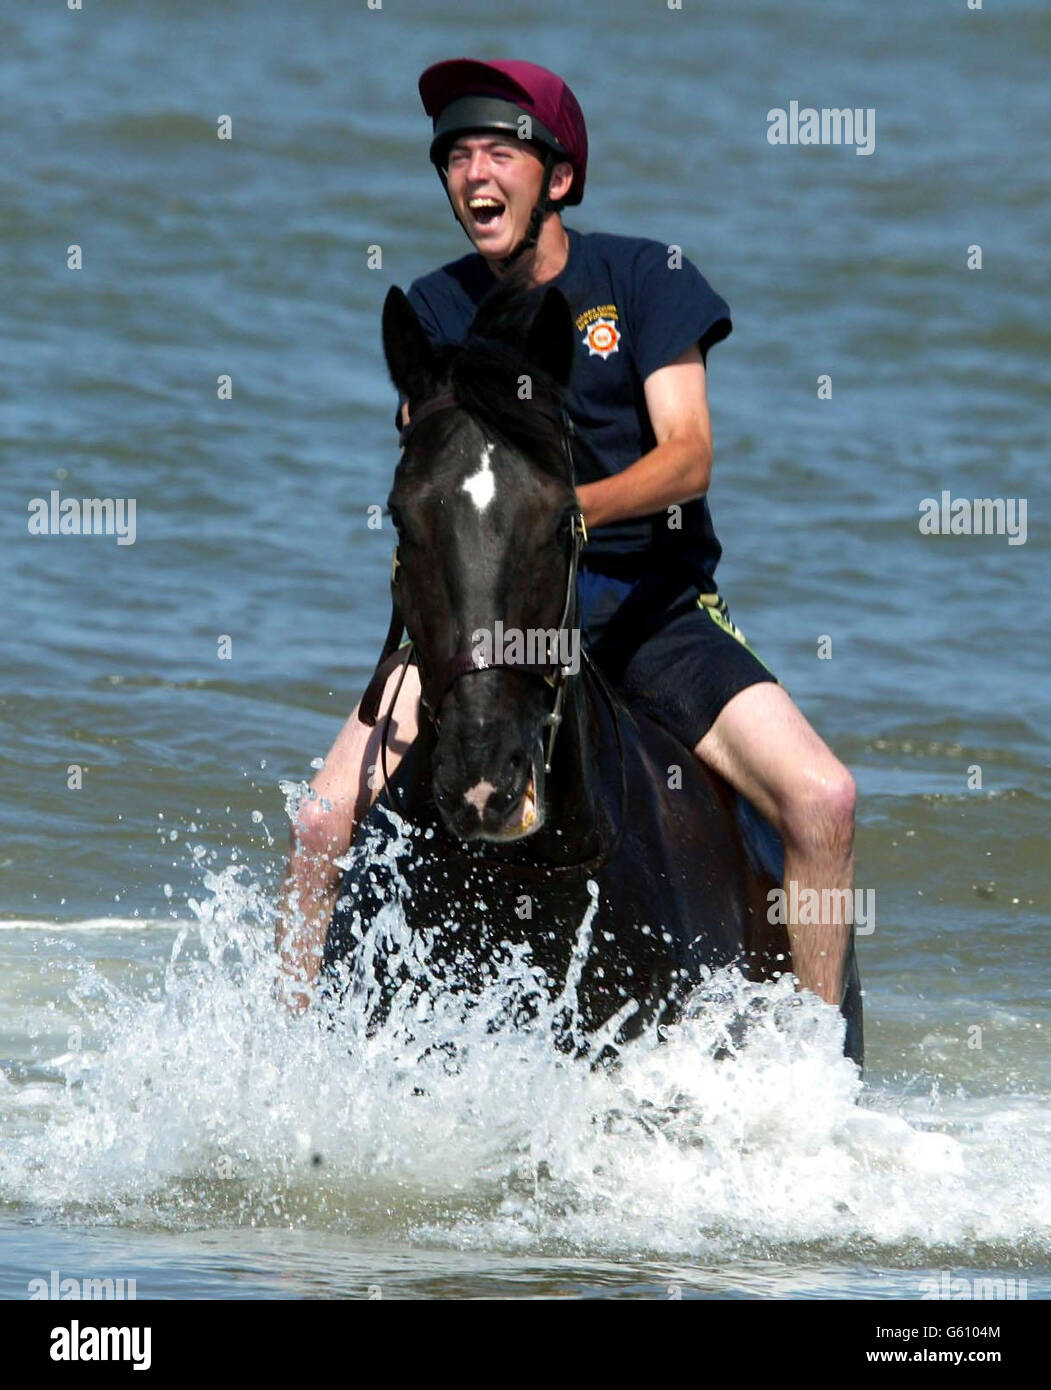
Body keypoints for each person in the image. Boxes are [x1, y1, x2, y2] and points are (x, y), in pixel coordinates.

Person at [276, 58, 856, 1020]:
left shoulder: (642, 278)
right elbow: (432, 481)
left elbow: (688, 456)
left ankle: (812, 1067)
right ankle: (282, 1057)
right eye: (456, 156)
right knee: (320, 821)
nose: (473, 175)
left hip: (651, 614)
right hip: (490, 620)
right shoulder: (435, 307)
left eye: (499, 151)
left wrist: (561, 512)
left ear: (559, 177)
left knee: (823, 798)